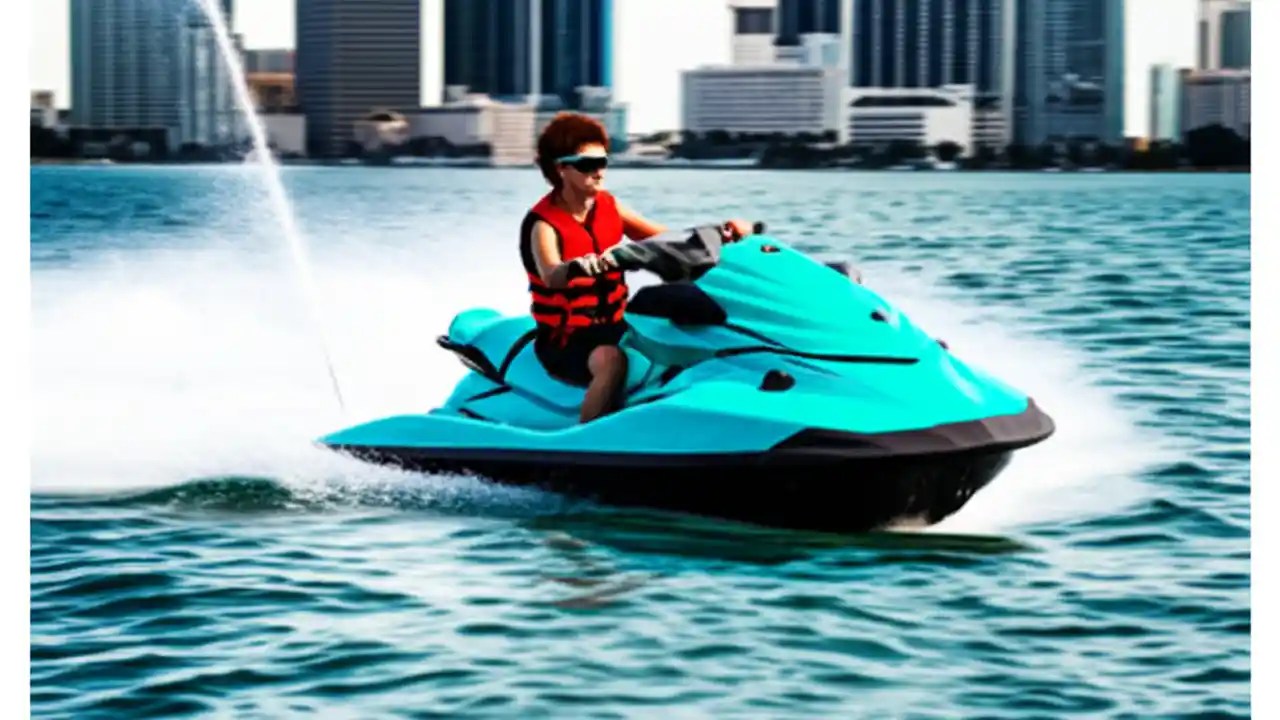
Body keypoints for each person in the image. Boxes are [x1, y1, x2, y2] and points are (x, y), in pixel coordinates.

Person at [520, 112, 751, 423]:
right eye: (588, 165)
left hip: (615, 323)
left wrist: (719, 235)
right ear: (562, 168)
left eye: (603, 162)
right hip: (567, 339)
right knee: (611, 360)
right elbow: (551, 273)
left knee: (686, 327)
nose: (599, 172)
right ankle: (589, 444)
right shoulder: (544, 224)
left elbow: (664, 237)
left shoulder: (609, 207)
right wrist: (583, 266)